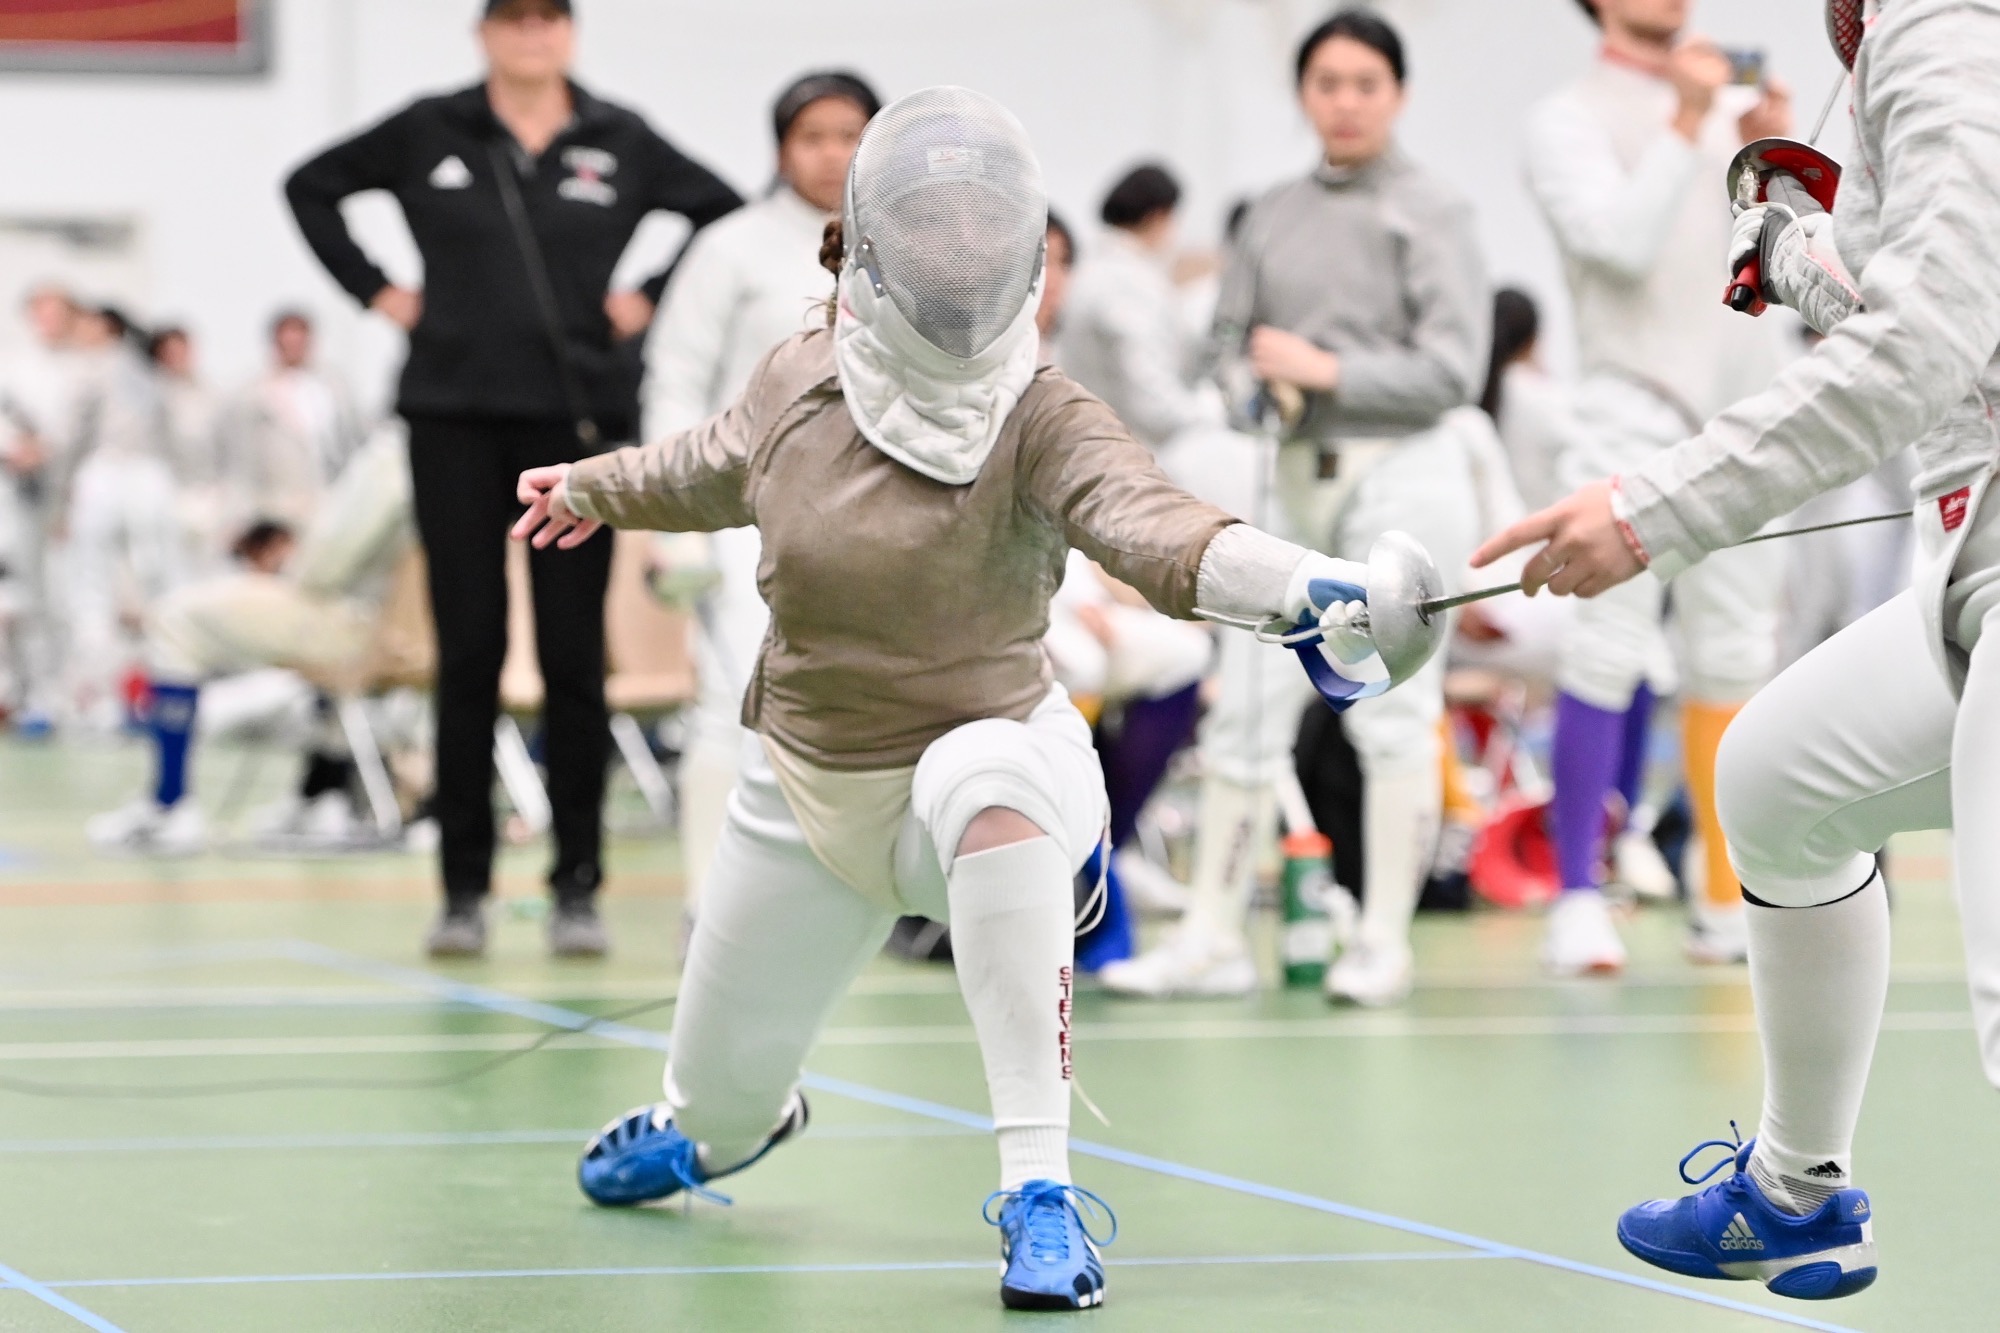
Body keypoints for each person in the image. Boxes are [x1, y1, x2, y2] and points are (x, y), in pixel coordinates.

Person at [514, 86, 1400, 1312]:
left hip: (985, 754)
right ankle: (710, 1129)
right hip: (806, 787)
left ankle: (1038, 1191)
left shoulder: (1041, 416)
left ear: (1021, 256)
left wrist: (1305, 586)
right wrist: (595, 486)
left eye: (983, 236)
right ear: (874, 248)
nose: (960, 261)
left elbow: (1151, 524)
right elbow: (710, 463)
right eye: (934, 234)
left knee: (988, 780)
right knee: (716, 1102)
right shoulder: (800, 376)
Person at [1474, 0, 1999, 1300]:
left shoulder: (1942, 18)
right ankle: (1795, 1190)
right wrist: (1805, 254)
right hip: (1967, 567)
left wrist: (1649, 511)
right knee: (1777, 777)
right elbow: (1948, 303)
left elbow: (1924, 342)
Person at [283, 0, 742, 958]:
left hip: (575, 424)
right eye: (513, 17)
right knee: (469, 654)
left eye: (548, 17)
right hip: (452, 418)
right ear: (484, 33)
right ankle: (463, 890)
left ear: (569, 33)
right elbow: (310, 186)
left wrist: (648, 298)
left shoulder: (618, 138)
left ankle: (578, 884)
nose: (531, 33)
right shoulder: (431, 129)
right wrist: (379, 292)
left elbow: (722, 210)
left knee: (575, 659)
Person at [1109, 9, 1491, 1005]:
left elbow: (1453, 370)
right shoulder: (1272, 214)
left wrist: (1326, 369)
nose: (1345, 102)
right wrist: (1258, 388)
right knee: (1244, 708)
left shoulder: (1434, 208)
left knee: (1393, 716)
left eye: (1366, 84)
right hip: (1290, 477)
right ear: (1303, 94)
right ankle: (1209, 938)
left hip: (1403, 474)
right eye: (1327, 83)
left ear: (1397, 95)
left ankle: (1383, 942)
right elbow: (1223, 351)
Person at [1526, 0, 1794, 972]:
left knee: (1732, 655)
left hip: (1745, 412)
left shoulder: (1728, 117)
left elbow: (1781, 270)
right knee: (1605, 645)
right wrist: (1685, 120)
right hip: (1628, 406)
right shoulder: (1563, 119)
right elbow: (1617, 243)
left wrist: (1773, 158)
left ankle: (1723, 899)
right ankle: (1575, 895)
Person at [641, 70, 878, 931]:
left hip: (877, 514)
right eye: (812, 136)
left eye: (850, 135)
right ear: (781, 147)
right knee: (735, 694)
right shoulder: (729, 248)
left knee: (866, 703)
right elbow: (675, 381)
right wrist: (675, 521)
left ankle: (841, 899)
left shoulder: (905, 245)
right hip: (749, 510)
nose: (832, 153)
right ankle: (710, 908)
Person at [87, 426, 415, 855]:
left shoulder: (395, 458)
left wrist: (287, 563)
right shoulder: (469, 460)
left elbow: (324, 571)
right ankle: (322, 793)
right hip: (413, 639)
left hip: (359, 628)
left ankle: (170, 804)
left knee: (176, 619)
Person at [56, 306, 184, 732]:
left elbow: (73, 433)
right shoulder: (149, 370)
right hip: (151, 479)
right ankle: (163, 688)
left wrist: (58, 495)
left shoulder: (94, 368)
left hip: (106, 473)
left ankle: (95, 698)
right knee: (157, 587)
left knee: (91, 588)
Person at [1059, 163, 1223, 450]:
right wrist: (1215, 409)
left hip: (1085, 443)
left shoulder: (1090, 271)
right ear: (1158, 216)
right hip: (1120, 454)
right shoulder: (1131, 285)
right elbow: (1153, 406)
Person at [0, 285, 81, 731]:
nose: (49, 320)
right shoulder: (13, 365)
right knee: (20, 600)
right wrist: (16, 449)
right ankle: (20, 694)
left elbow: (86, 432)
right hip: (17, 498)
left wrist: (50, 452)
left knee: (64, 601)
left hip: (68, 500)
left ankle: (59, 698)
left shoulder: (84, 367)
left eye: (58, 311)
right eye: (42, 311)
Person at [218, 311, 364, 536]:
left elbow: (353, 439)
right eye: (287, 344)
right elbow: (240, 457)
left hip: (328, 498)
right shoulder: (252, 394)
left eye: (300, 343)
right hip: (277, 505)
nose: (294, 349)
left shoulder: (333, 387)